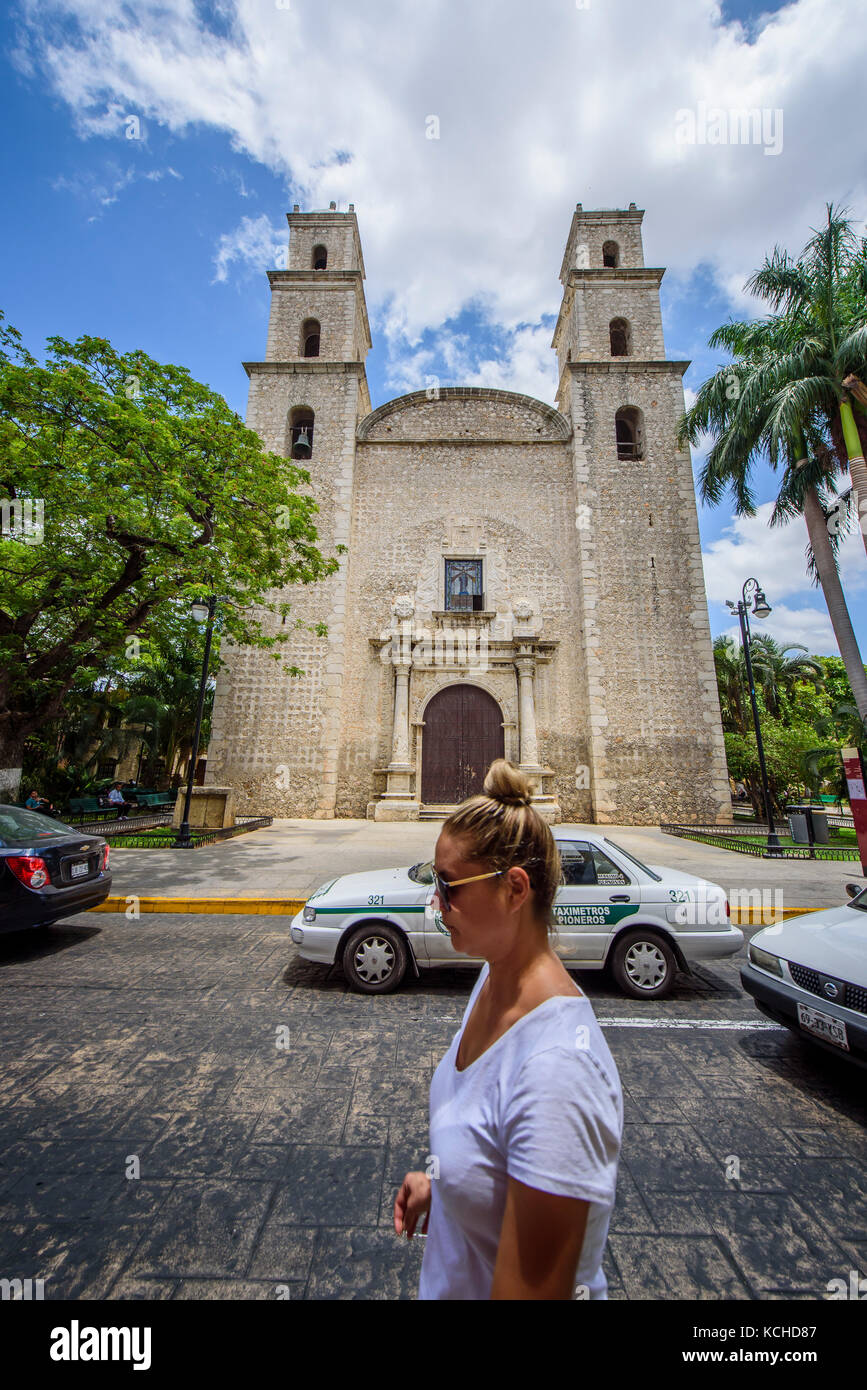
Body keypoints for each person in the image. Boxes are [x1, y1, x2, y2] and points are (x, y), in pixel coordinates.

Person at [394, 759, 623, 1300]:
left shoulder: (559, 1073)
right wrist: (450, 1188)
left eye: (448, 887)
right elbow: (493, 1142)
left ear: (515, 889)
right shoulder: (493, 980)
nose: (436, 903)